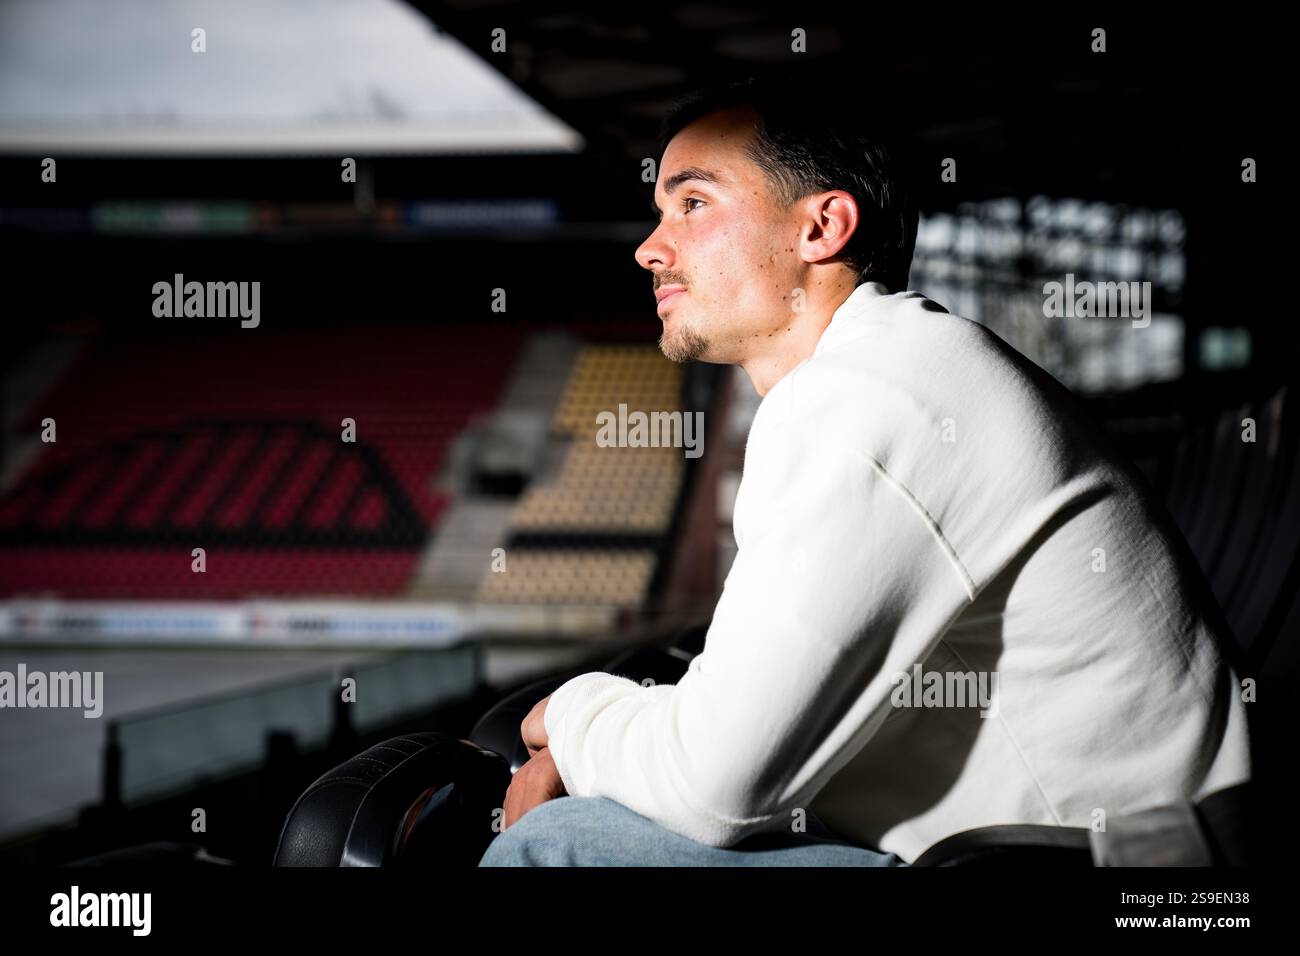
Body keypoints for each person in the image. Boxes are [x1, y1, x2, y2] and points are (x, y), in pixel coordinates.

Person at [479, 77, 1251, 867]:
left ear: (821, 226)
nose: (651, 247)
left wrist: (573, 717)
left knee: (553, 847)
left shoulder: (871, 398)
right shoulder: (889, 371)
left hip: (1123, 870)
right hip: (1097, 843)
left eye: (693, 204)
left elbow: (714, 790)